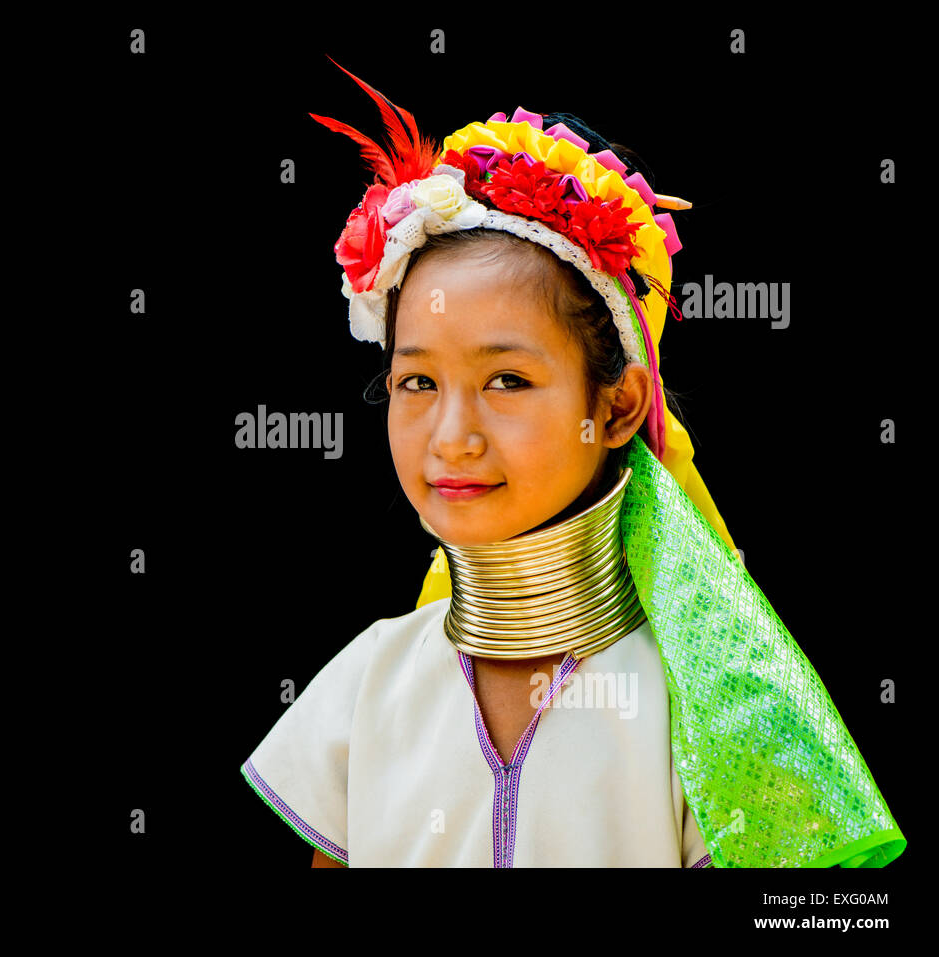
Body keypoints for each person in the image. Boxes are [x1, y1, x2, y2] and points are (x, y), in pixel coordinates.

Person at [239, 59, 905, 868]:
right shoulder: (366, 688)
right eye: (417, 380)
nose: (452, 435)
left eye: (508, 380)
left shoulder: (712, 715)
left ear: (617, 406)